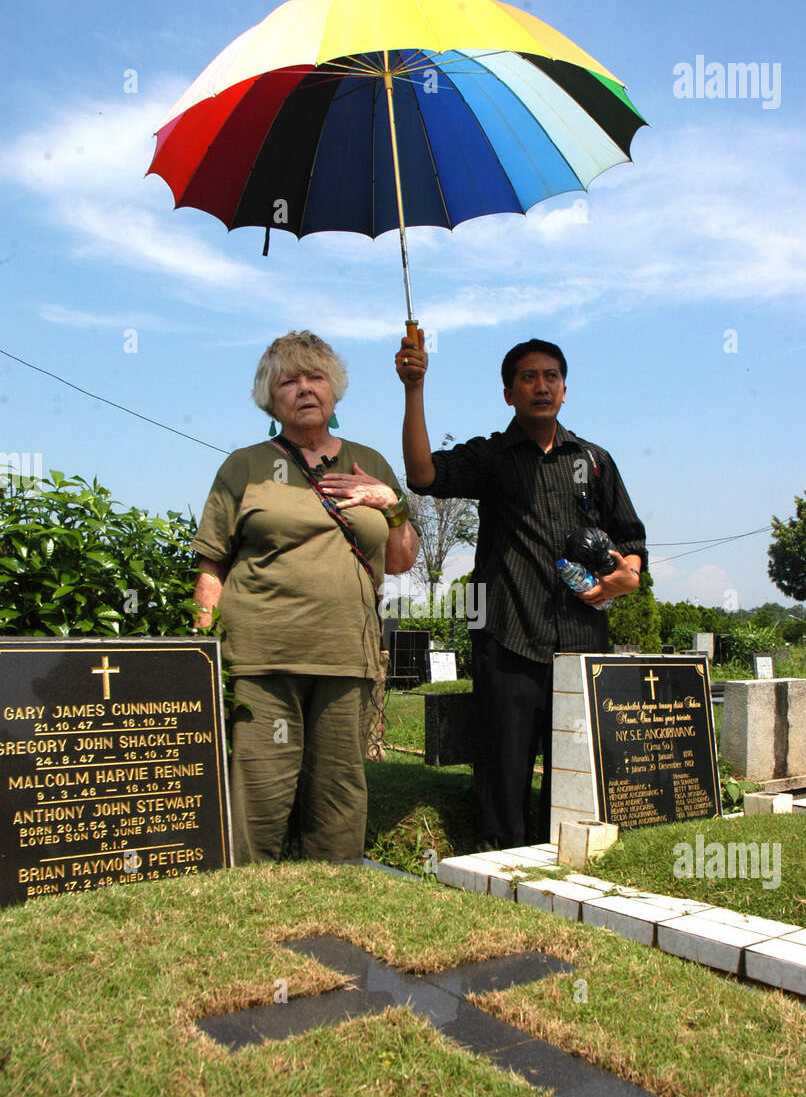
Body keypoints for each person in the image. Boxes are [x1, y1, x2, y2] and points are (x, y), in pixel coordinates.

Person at [397, 329, 646, 849]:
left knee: (575, 769)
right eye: (527, 377)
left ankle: (569, 864)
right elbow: (422, 475)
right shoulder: (493, 458)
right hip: (508, 638)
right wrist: (414, 388)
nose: (541, 386)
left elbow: (630, 537)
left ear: (564, 388)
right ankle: (503, 867)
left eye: (551, 376)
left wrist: (628, 574)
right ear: (508, 393)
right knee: (504, 773)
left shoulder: (593, 460)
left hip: (581, 642)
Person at [193, 330, 418, 865]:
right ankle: (250, 906)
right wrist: (199, 651)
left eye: (315, 377)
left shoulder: (370, 462)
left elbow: (401, 559)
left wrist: (392, 504)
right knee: (260, 794)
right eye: (287, 380)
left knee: (338, 793)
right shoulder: (243, 466)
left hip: (346, 655)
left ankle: (333, 908)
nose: (304, 388)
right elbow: (210, 569)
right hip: (261, 656)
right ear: (270, 398)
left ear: (335, 391)